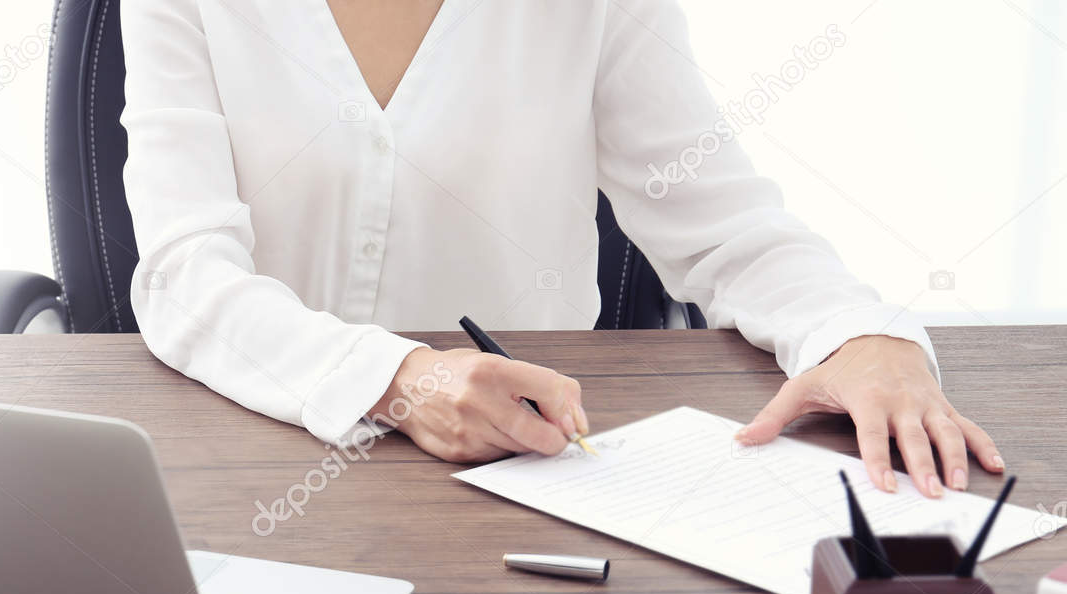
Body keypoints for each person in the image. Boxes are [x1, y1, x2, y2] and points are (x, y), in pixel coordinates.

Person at [120, 0, 1003, 497]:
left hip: (523, 479)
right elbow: (183, 272)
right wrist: (401, 380)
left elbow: (723, 224)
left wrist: (860, 335)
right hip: (252, 468)